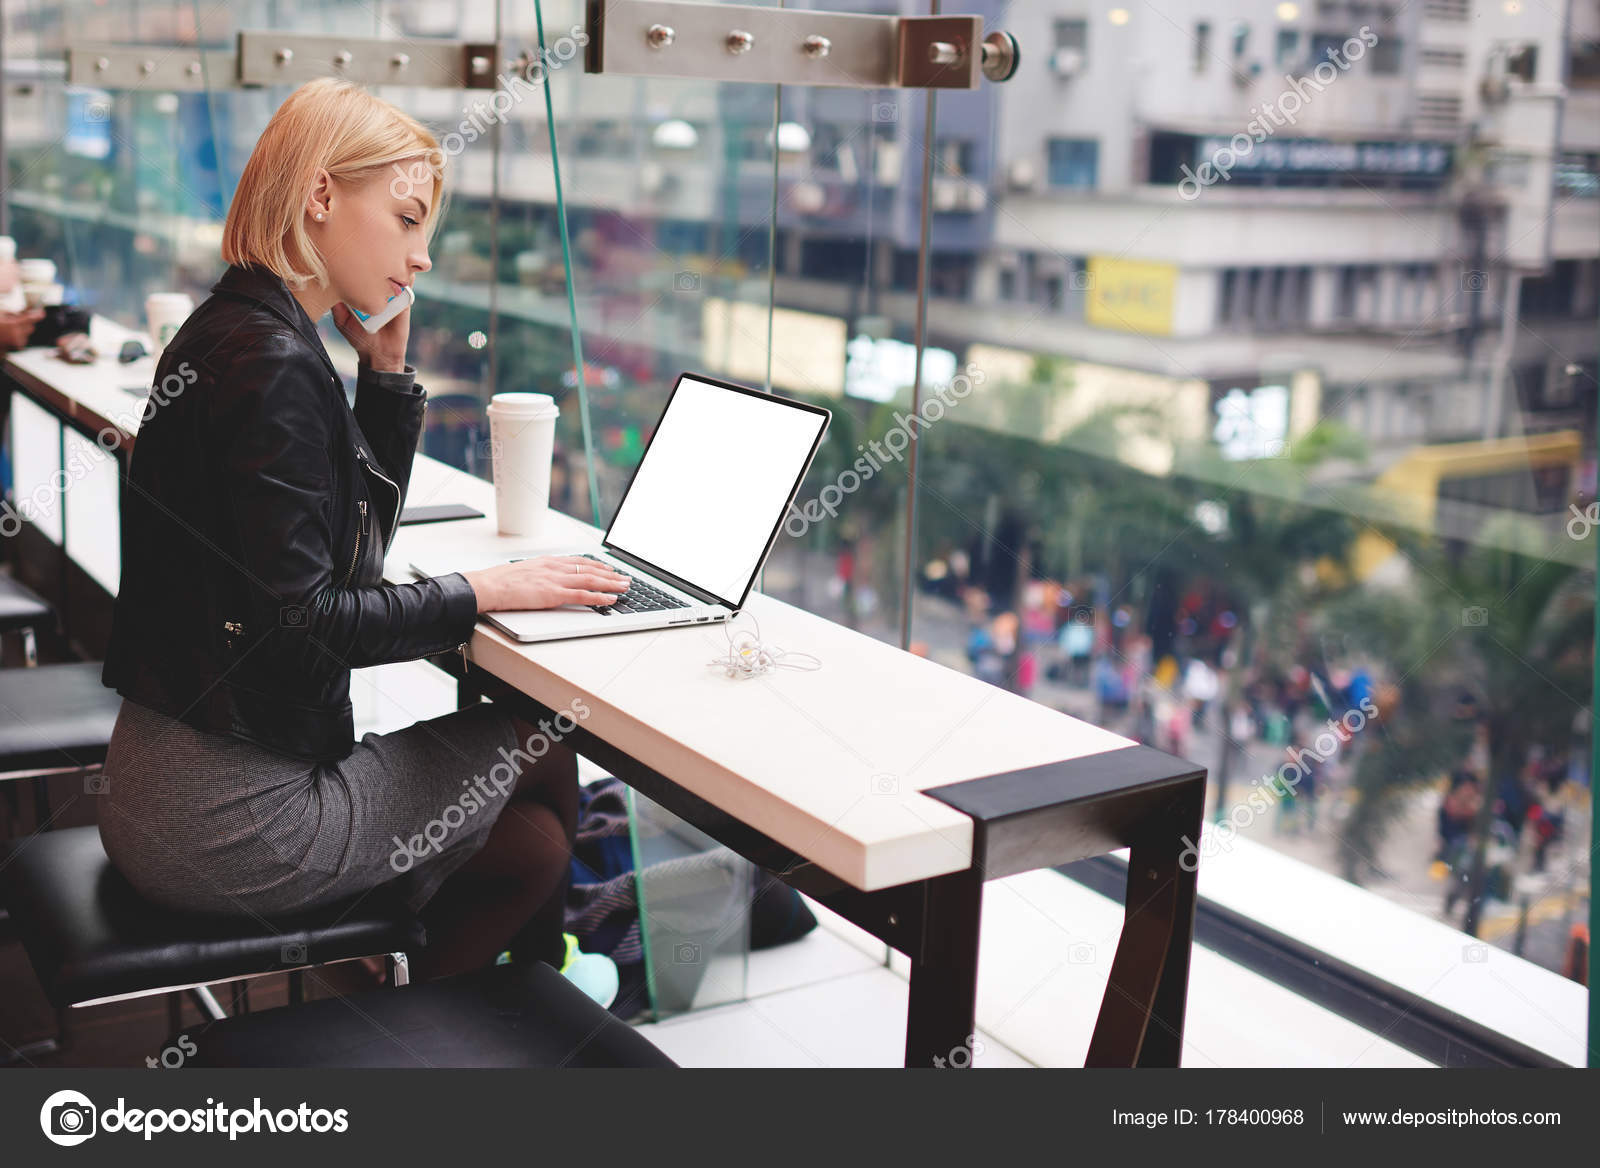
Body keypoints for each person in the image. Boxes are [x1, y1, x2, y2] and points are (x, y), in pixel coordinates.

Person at [97, 79, 632, 989]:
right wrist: (489, 592)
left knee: (530, 845)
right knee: (542, 742)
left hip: (155, 788)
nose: (421, 258)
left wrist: (384, 375)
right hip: (234, 820)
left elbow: (347, 562)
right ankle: (485, 1023)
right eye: (408, 218)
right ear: (319, 196)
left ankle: (479, 1012)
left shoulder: (231, 331)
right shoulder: (271, 362)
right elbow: (310, 618)